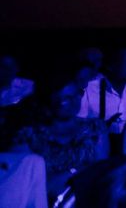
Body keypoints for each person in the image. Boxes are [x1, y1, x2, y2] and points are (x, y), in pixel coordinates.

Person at [12, 71, 110, 199]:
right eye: (67, 98)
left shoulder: (94, 129)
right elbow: (23, 181)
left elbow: (101, 172)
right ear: (51, 101)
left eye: (77, 95)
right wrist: (75, 172)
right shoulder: (29, 134)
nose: (75, 101)